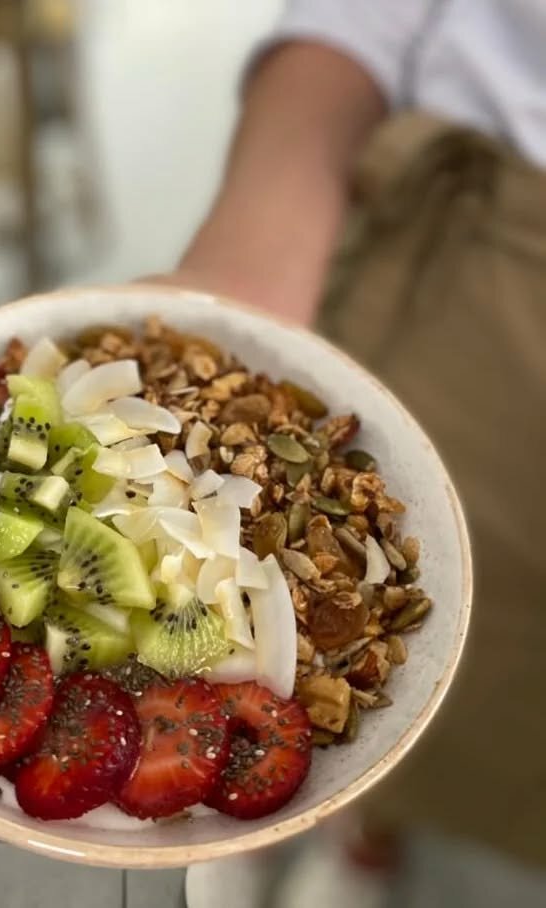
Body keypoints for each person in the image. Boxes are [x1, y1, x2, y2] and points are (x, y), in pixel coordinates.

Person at [167, 2, 546, 904]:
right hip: (490, 253)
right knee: (352, 615)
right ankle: (325, 825)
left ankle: (369, 833)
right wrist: (256, 250)